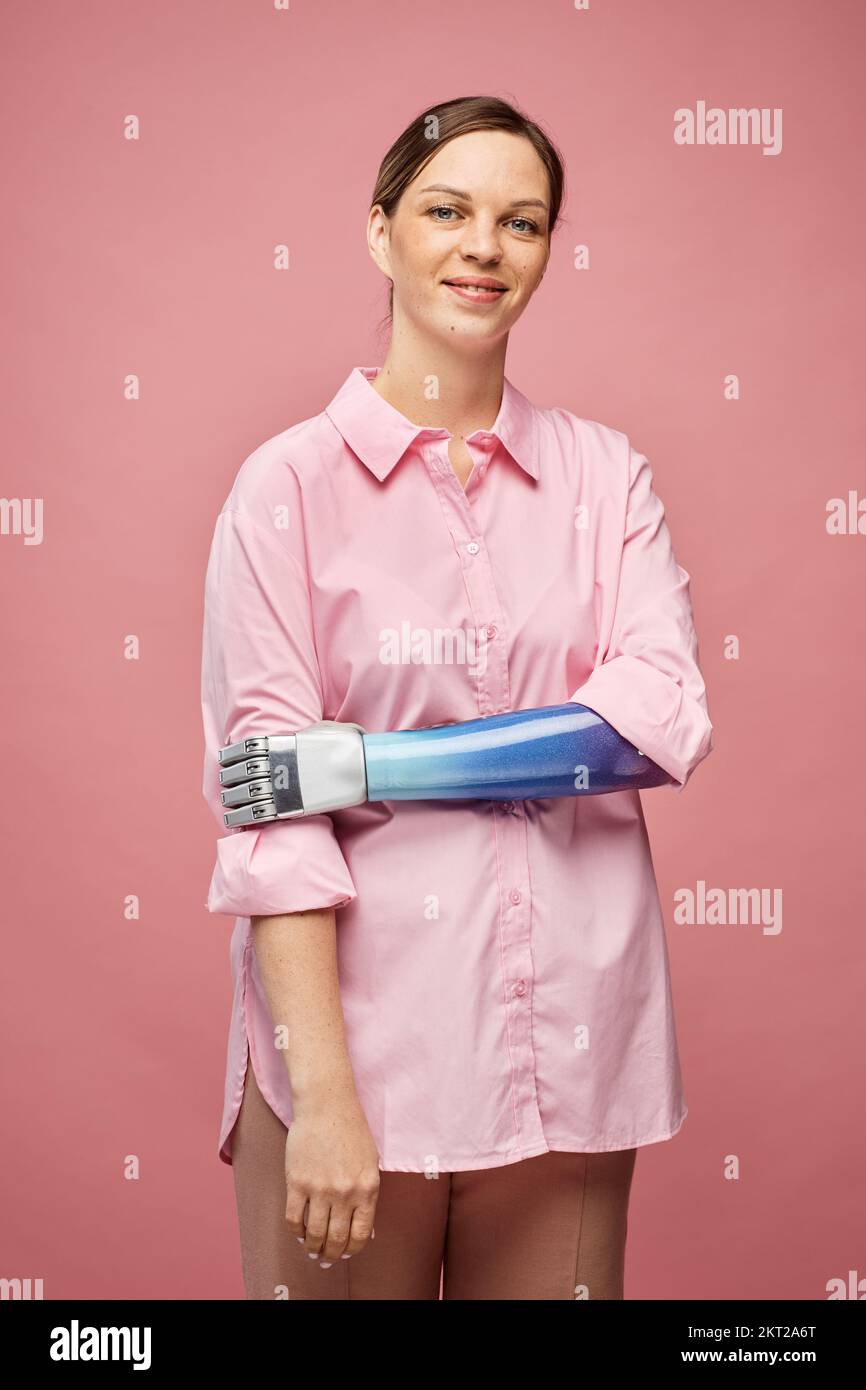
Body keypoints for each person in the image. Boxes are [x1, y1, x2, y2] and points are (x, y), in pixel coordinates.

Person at [200, 94, 714, 1301]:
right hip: (356, 1061)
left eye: (520, 221)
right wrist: (324, 1099)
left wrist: (364, 764)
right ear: (380, 233)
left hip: (569, 1066)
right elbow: (273, 823)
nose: (484, 245)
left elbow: (651, 724)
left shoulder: (604, 473)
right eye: (446, 210)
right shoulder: (283, 488)